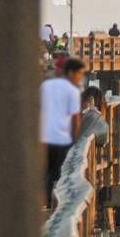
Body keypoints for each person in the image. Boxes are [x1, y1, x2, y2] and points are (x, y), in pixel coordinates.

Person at [40, 57, 84, 206]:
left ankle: (46, 202)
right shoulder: (72, 90)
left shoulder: (46, 86)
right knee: (59, 173)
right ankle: (56, 203)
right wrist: (75, 140)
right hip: (63, 138)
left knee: (47, 172)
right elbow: (75, 119)